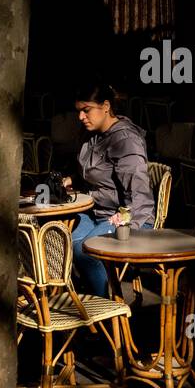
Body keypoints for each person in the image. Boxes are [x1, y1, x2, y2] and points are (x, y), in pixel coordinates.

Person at [66, 82, 155, 297]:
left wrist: (125, 224)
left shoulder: (125, 140)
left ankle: (105, 312)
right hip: (95, 211)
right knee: (64, 243)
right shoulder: (91, 135)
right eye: (79, 111)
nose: (81, 117)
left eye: (86, 110)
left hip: (127, 216)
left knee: (86, 252)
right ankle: (87, 300)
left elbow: (139, 196)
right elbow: (94, 173)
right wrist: (72, 180)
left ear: (105, 106)